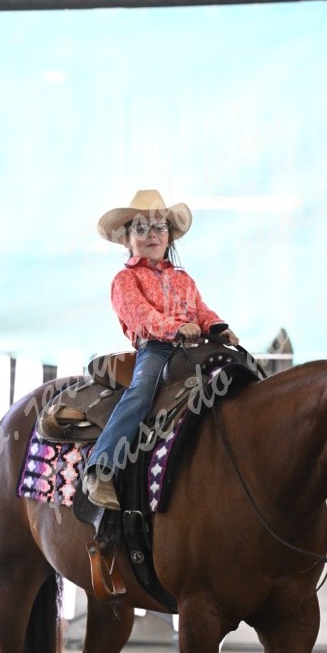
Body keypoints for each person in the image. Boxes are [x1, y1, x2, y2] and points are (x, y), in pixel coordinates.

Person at [82, 188, 239, 511]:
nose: (151, 235)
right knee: (142, 393)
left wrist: (218, 326)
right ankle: (101, 467)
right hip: (157, 348)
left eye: (159, 228)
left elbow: (201, 310)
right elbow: (141, 316)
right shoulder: (125, 280)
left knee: (240, 376)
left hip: (196, 346)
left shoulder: (184, 279)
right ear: (127, 239)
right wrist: (175, 328)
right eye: (141, 228)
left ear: (169, 237)